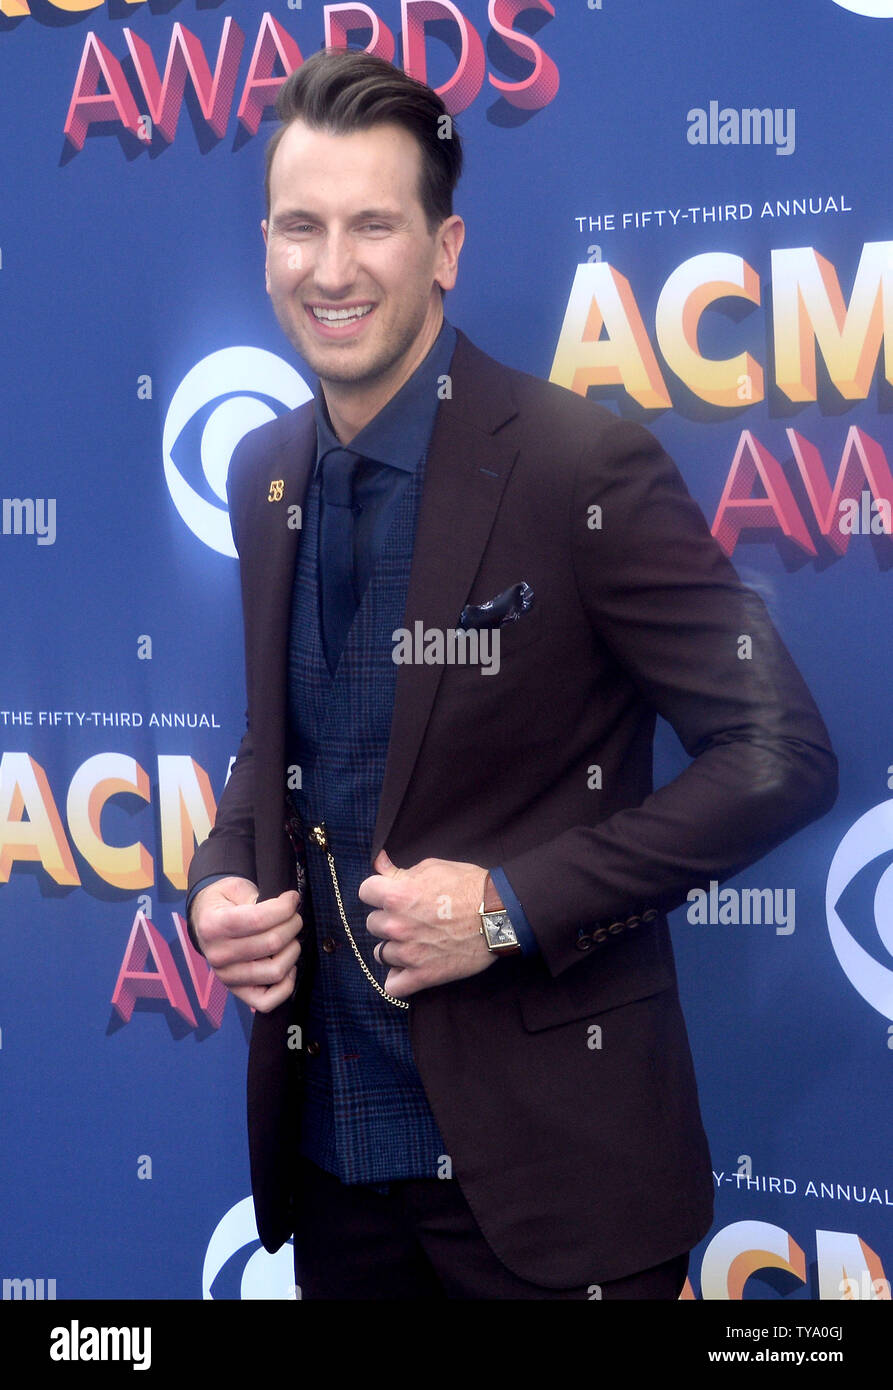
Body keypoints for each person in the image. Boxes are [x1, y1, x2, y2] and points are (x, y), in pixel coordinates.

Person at [186, 47, 837, 1300]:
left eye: (373, 224)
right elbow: (280, 745)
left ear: (443, 249)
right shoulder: (261, 470)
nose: (331, 267)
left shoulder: (577, 464)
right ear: (265, 245)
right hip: (329, 1172)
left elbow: (780, 752)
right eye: (300, 227)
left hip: (553, 1193)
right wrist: (224, 873)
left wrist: (505, 907)